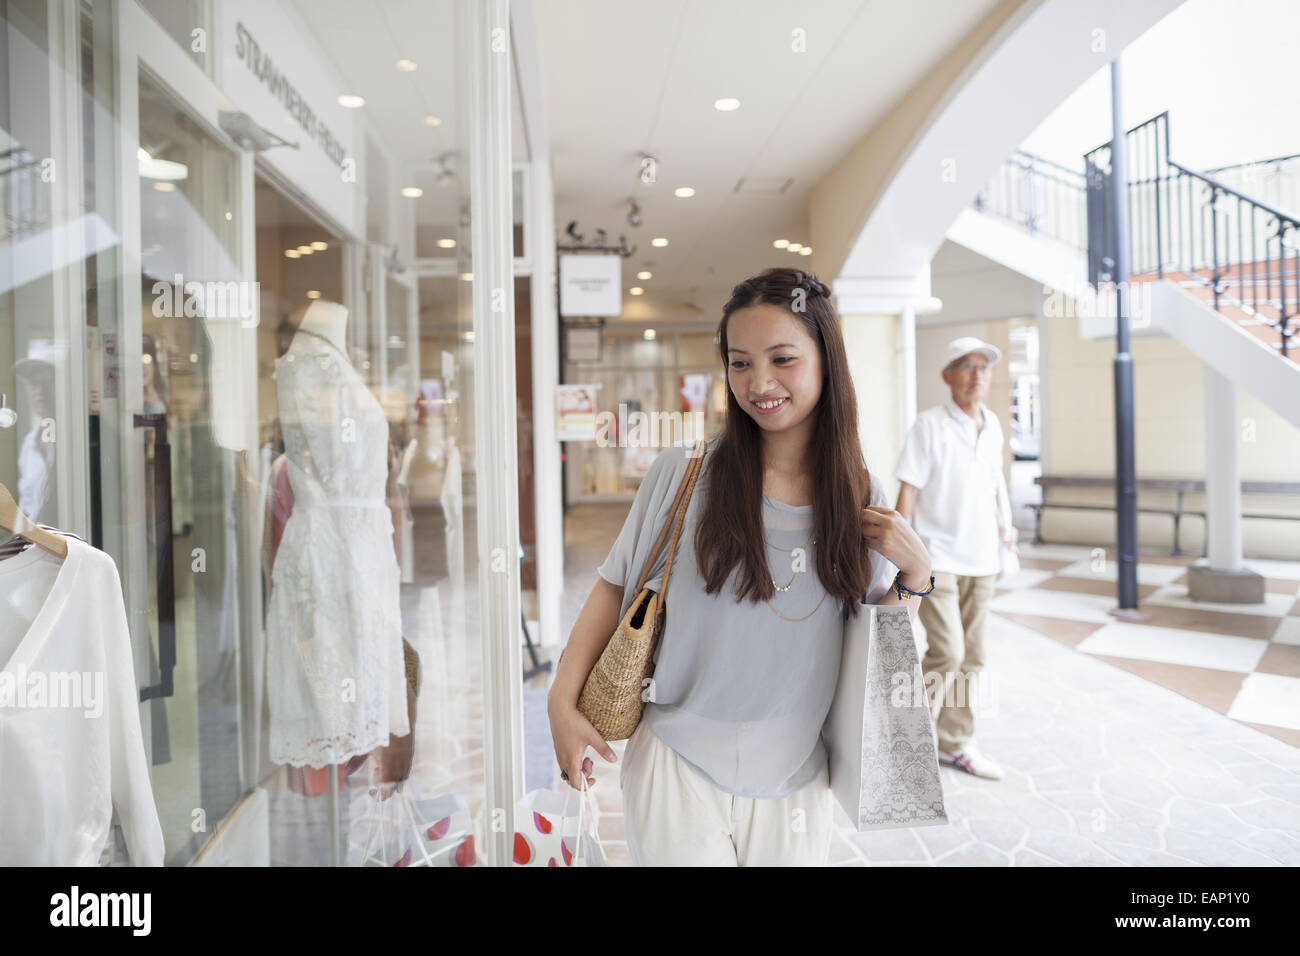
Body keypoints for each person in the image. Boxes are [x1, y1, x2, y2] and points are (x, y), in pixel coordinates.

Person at [547, 267, 934, 866]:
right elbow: (613, 587)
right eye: (740, 362)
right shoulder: (683, 473)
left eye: (783, 359)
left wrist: (916, 576)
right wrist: (560, 705)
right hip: (677, 765)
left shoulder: (860, 493)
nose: (760, 382)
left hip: (798, 778)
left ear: (826, 360)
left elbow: (872, 634)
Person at [893, 336, 1017, 780]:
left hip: (984, 558)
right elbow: (908, 489)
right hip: (938, 557)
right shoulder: (929, 425)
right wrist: (899, 555)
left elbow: (995, 482)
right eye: (966, 366)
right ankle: (903, 736)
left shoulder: (994, 424)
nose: (976, 375)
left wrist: (1006, 523)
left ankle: (955, 741)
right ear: (947, 375)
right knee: (948, 651)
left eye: (983, 368)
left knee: (975, 657)